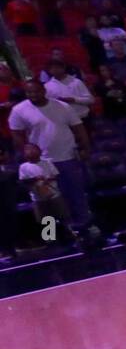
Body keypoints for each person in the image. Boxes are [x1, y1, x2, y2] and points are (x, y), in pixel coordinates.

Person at [7, 78, 96, 238]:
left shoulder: (62, 107)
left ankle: (84, 228)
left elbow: (79, 128)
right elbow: (16, 134)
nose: (33, 94)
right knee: (47, 202)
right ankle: (55, 235)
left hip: (67, 156)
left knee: (75, 194)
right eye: (29, 92)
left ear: (44, 91)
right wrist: (26, 152)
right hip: (41, 163)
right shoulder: (19, 110)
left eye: (36, 91)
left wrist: (85, 148)